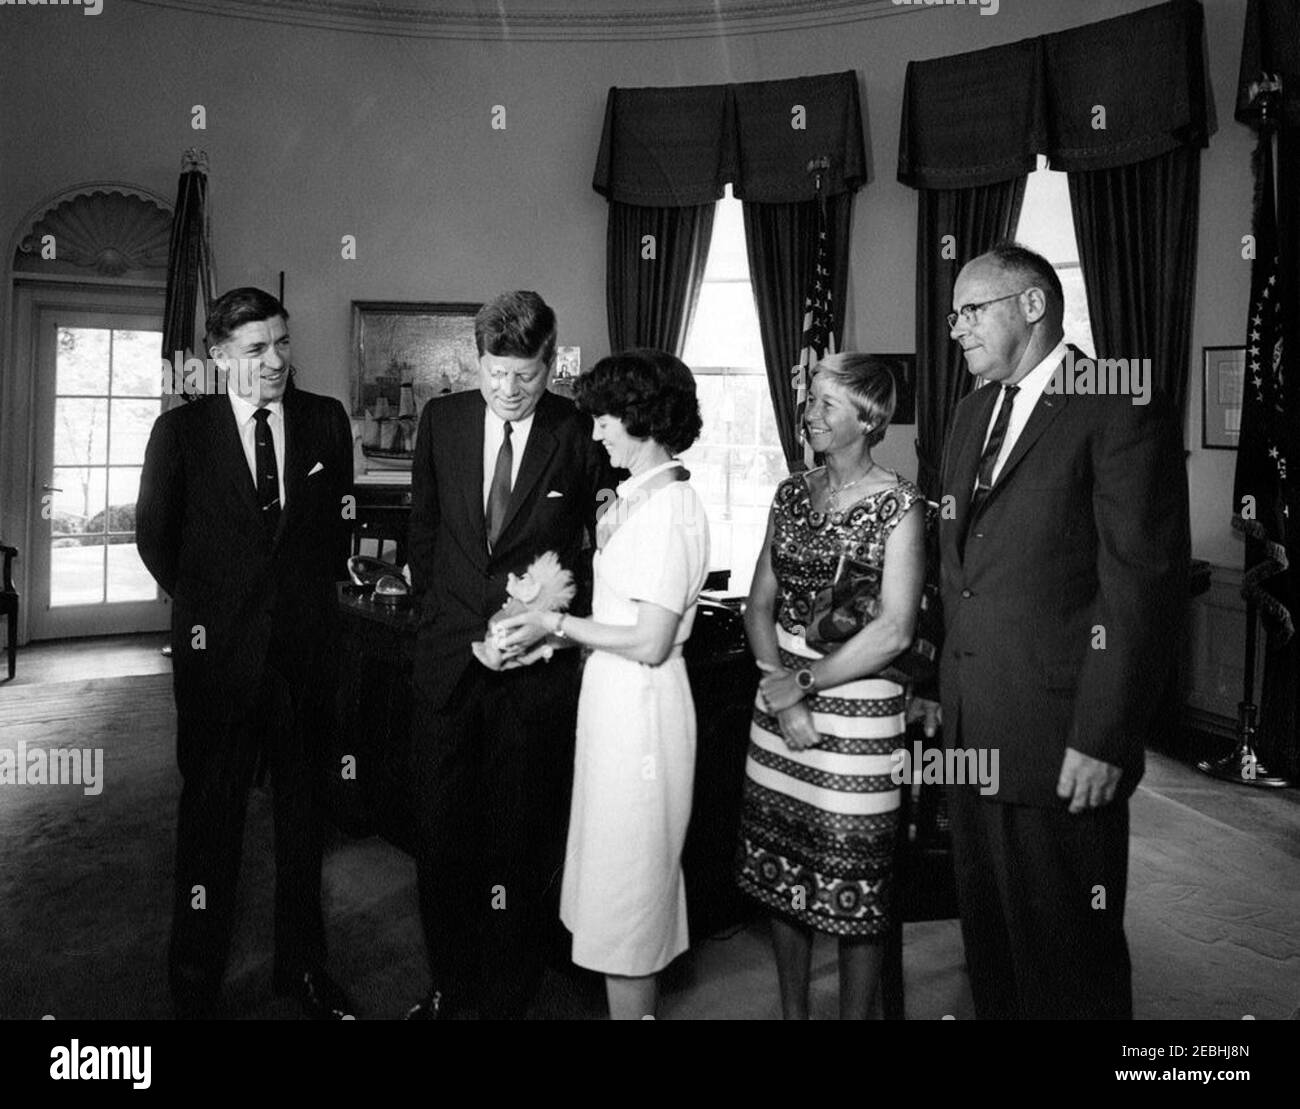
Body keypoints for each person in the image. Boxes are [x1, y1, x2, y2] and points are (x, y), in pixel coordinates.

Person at [936, 242, 1189, 1019]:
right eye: (953, 314)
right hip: (973, 730)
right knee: (994, 955)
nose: (956, 329)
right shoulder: (974, 407)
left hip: (1061, 738)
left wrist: (1104, 737)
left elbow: (1140, 585)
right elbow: (968, 575)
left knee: (1068, 964)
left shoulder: (1117, 399)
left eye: (972, 309)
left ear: (1034, 306)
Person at [136, 287, 356, 1019]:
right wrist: (215, 612)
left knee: (303, 821)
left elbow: (333, 537)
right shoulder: (181, 432)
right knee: (210, 821)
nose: (275, 360)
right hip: (218, 660)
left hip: (304, 659)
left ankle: (302, 969)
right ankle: (195, 983)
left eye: (283, 343)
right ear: (219, 356)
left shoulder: (325, 420)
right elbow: (156, 538)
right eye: (256, 349)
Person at [404, 290, 614, 1020]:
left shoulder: (580, 430)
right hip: (449, 672)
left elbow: (599, 558)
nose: (508, 388)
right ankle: (449, 984)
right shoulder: (443, 421)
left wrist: (548, 626)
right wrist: (460, 630)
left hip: (536, 681)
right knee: (440, 837)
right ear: (477, 360)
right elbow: (424, 544)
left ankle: (507, 994)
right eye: (496, 372)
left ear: (551, 363)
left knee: (519, 841)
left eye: (525, 374)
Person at [496, 349, 710, 1020]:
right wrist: (546, 630)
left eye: (606, 419)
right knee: (618, 883)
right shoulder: (641, 499)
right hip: (618, 710)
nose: (596, 433)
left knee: (629, 902)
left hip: (643, 716)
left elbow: (649, 640)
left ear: (641, 417)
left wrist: (557, 621)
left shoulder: (670, 508)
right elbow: (625, 619)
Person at [735, 353, 925, 1020]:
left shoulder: (900, 504)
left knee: (856, 887)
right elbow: (757, 604)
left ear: (869, 418)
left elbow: (896, 629)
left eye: (825, 404)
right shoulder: (790, 492)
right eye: (809, 400)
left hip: (859, 718)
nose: (808, 414)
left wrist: (800, 685)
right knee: (782, 874)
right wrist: (778, 688)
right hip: (777, 704)